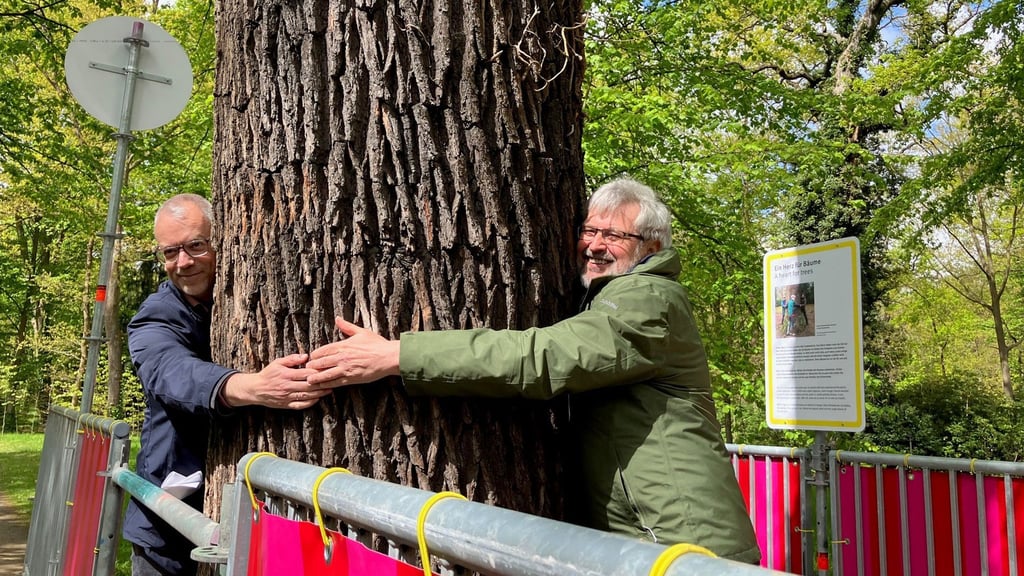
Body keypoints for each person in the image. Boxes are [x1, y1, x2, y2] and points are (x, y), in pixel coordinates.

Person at [305, 178, 761, 563]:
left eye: (616, 236)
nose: (596, 245)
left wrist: (398, 356)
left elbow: (542, 357)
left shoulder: (649, 300)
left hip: (685, 544)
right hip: (654, 539)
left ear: (653, 247)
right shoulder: (610, 298)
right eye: (590, 230)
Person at [123, 194, 331, 575]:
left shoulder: (247, 296)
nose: (182, 263)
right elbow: (169, 372)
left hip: (256, 523)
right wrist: (253, 387)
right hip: (168, 532)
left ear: (225, 240)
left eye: (196, 246)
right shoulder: (154, 317)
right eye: (170, 252)